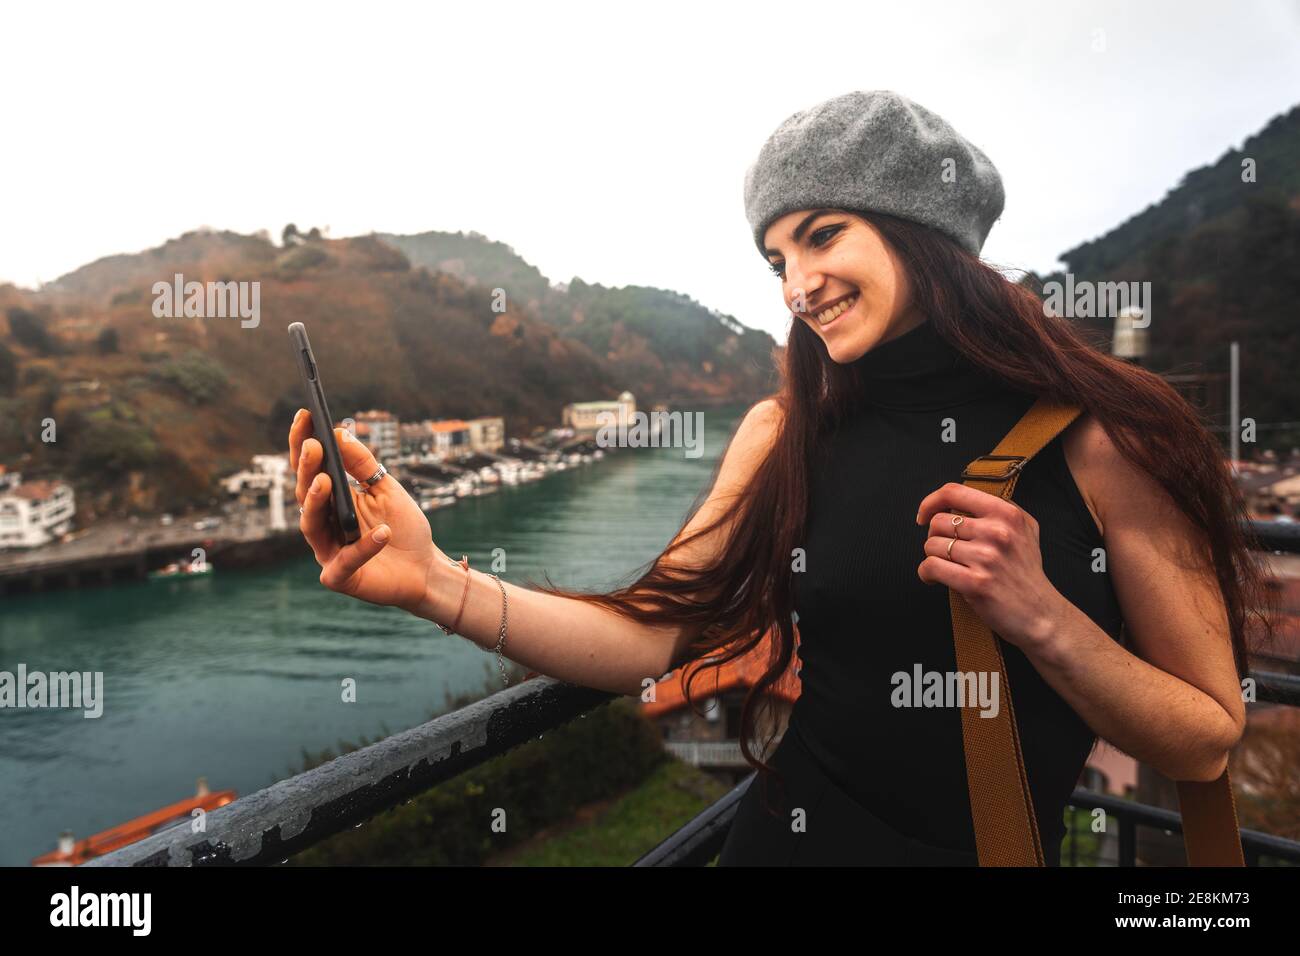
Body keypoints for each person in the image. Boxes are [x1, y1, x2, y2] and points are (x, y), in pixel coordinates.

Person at [288, 90, 1275, 866]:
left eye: (823, 234)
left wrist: (1043, 615)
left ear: (925, 234)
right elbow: (653, 633)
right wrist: (431, 581)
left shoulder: (1108, 435)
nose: (798, 283)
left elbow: (1201, 738)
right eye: (774, 258)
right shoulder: (781, 430)